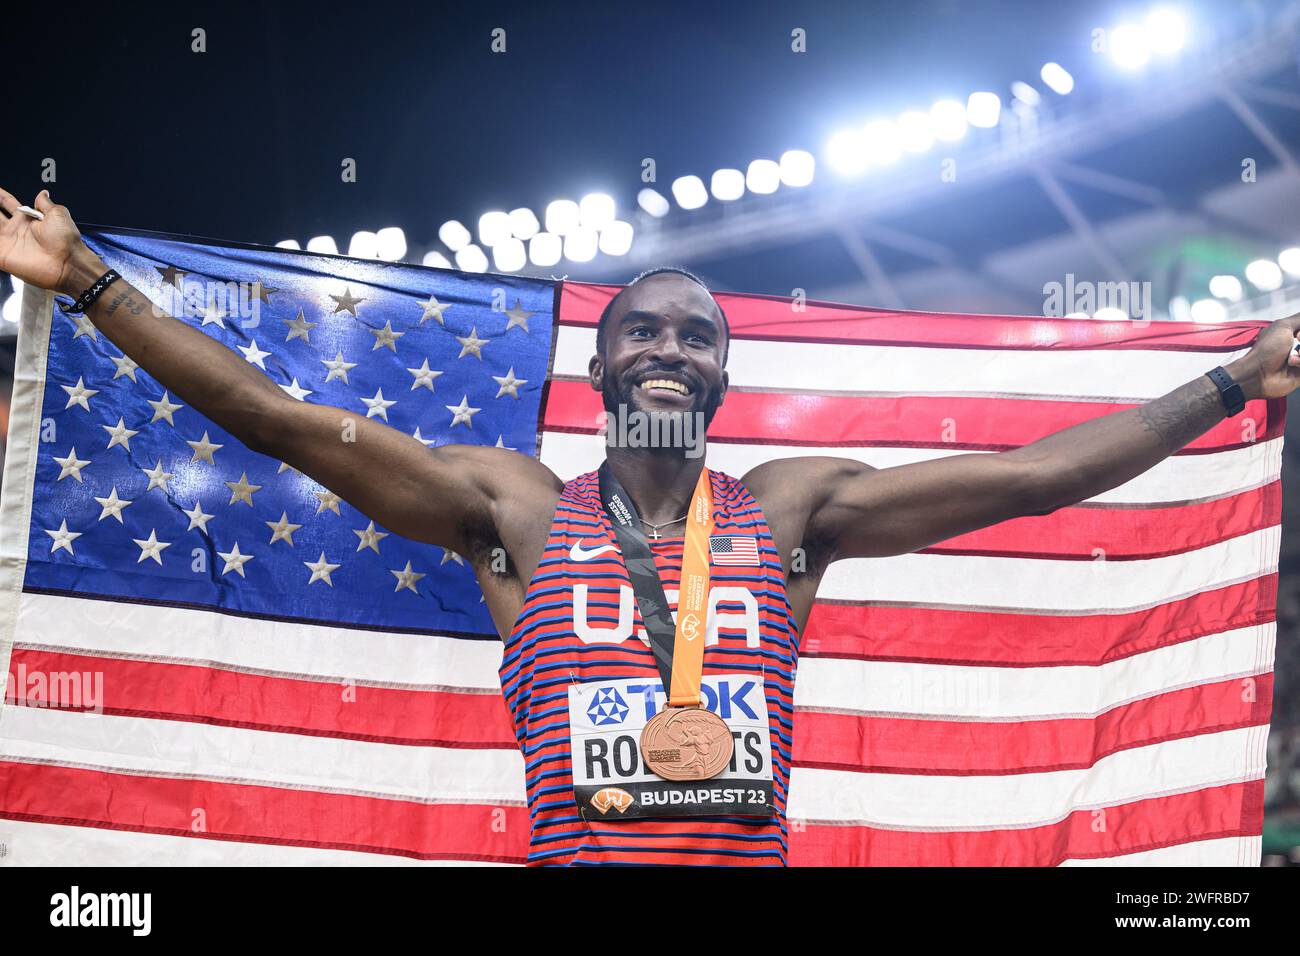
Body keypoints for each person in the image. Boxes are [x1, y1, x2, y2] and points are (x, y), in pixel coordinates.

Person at [3, 187, 1299, 866]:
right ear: (606, 367)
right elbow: (285, 422)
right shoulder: (510, 508)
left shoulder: (793, 511)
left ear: (721, 377)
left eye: (696, 336)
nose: (670, 348)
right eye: (646, 331)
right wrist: (95, 282)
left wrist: (1234, 381)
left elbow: (1029, 479)